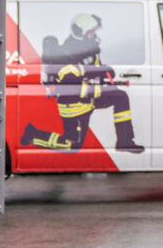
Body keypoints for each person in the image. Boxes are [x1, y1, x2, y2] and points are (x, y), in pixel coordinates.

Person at [22, 12, 144, 154]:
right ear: (80, 32)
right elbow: (72, 76)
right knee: (72, 146)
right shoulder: (68, 51)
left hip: (89, 98)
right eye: (91, 32)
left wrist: (105, 72)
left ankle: (124, 141)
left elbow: (95, 69)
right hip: (75, 104)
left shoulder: (89, 48)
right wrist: (98, 72)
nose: (94, 35)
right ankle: (33, 134)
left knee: (120, 97)